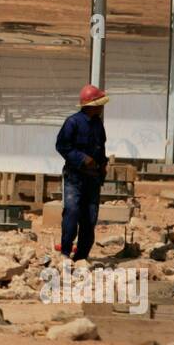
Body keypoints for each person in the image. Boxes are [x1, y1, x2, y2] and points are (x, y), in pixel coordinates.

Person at [54, 84, 109, 264]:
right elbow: (62, 146)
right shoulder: (73, 122)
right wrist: (82, 159)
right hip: (74, 177)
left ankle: (81, 256)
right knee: (72, 211)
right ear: (91, 105)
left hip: (92, 179)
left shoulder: (97, 125)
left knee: (90, 217)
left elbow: (101, 149)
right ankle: (65, 252)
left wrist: (102, 166)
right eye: (99, 104)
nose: (101, 108)